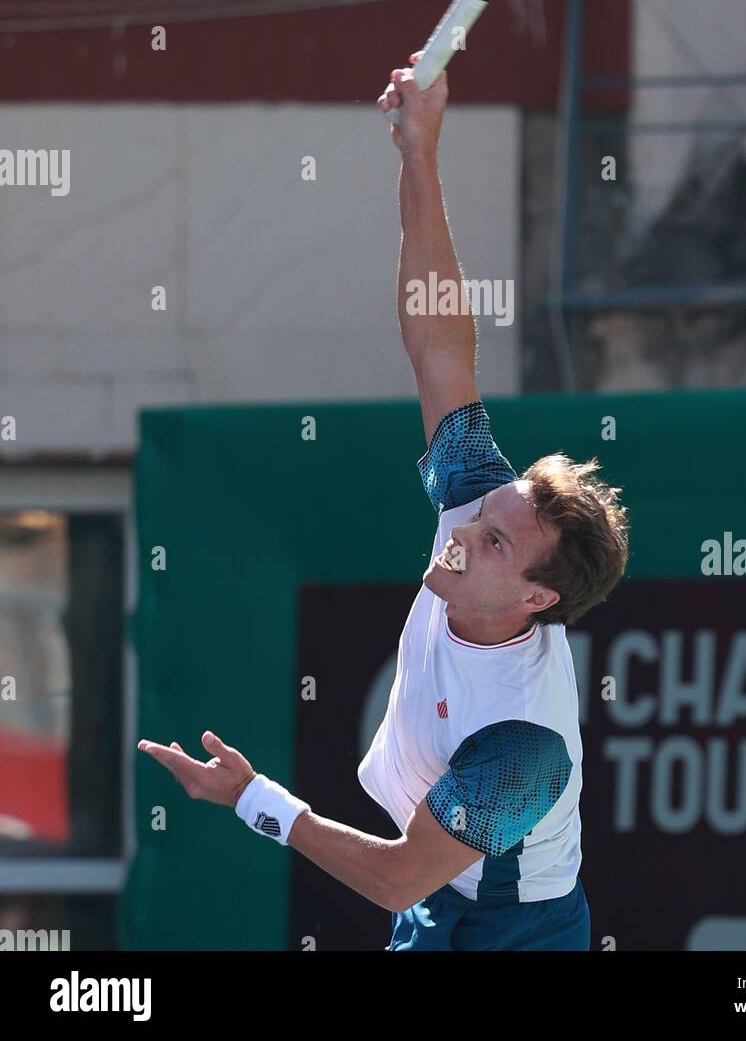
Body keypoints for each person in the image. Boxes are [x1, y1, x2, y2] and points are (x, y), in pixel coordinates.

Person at [139, 57, 628, 951]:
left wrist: (256, 799)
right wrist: (421, 150)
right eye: (479, 521)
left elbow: (400, 873)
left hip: (514, 930)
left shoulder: (523, 743)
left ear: (536, 598)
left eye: (493, 546)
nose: (465, 535)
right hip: (437, 903)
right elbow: (438, 342)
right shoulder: (477, 510)